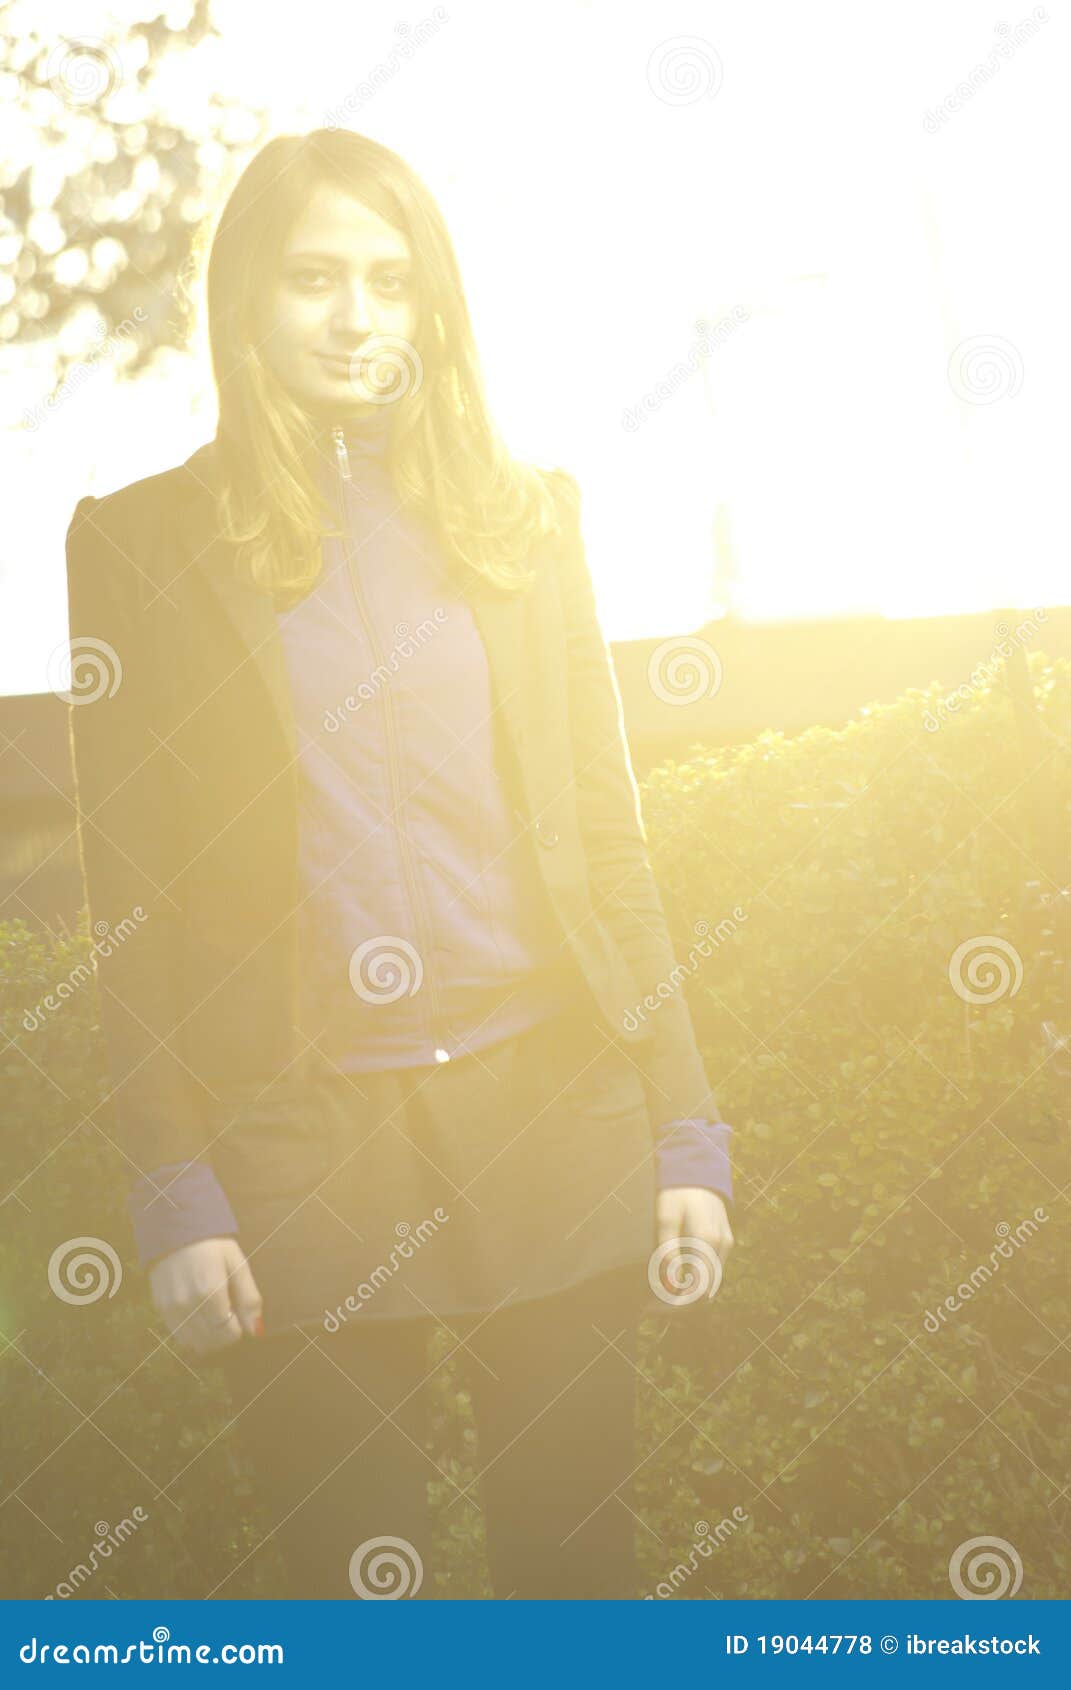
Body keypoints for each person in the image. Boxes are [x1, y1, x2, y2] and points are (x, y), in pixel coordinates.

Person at [63, 128, 734, 1600]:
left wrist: (687, 1128)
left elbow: (608, 837)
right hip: (297, 1144)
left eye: (389, 278)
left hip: (554, 1109)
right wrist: (175, 1183)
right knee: (361, 1608)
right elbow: (134, 900)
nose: (356, 315)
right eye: (314, 279)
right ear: (247, 298)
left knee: (578, 1591)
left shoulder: (529, 517)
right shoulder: (136, 547)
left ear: (434, 302)